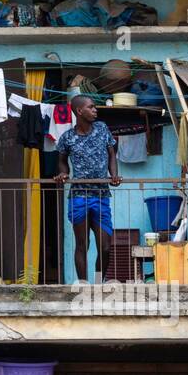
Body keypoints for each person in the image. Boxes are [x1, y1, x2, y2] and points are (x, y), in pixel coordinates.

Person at [55, 94, 120, 282]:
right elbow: (62, 161)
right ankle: (83, 284)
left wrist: (113, 174)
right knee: (82, 245)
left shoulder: (102, 128)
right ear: (79, 111)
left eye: (95, 107)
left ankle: (99, 282)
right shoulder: (67, 137)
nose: (95, 110)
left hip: (101, 195)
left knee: (105, 246)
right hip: (78, 196)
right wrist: (64, 173)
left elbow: (111, 154)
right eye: (91, 107)